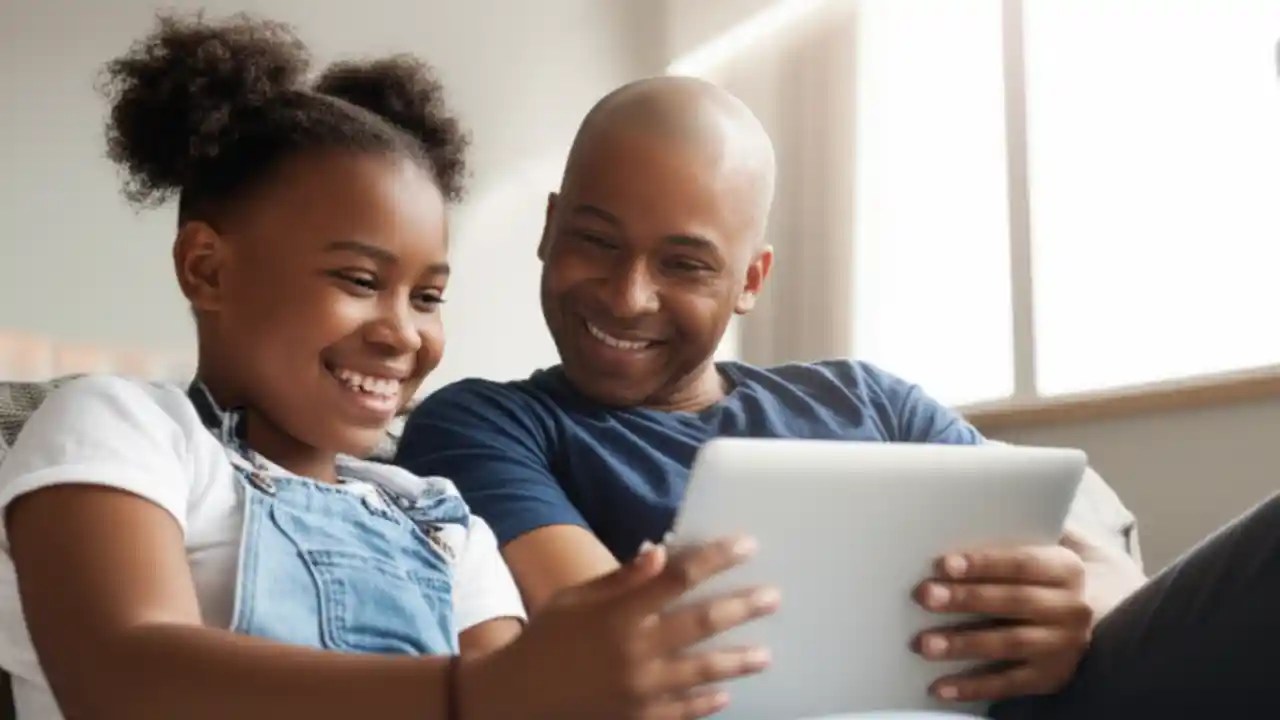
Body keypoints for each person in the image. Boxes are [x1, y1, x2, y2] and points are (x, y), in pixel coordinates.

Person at [397, 76, 1280, 716]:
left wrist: (1080, 610)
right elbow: (613, 638)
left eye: (685, 264)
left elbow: (1100, 562)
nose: (628, 296)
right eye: (596, 242)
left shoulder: (873, 402)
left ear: (751, 279)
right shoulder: (482, 425)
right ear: (549, 231)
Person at [0, 17, 778, 720]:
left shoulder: (439, 521)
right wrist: (482, 691)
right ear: (207, 270)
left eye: (428, 296)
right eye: (360, 281)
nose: (402, 334)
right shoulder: (125, 430)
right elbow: (120, 677)